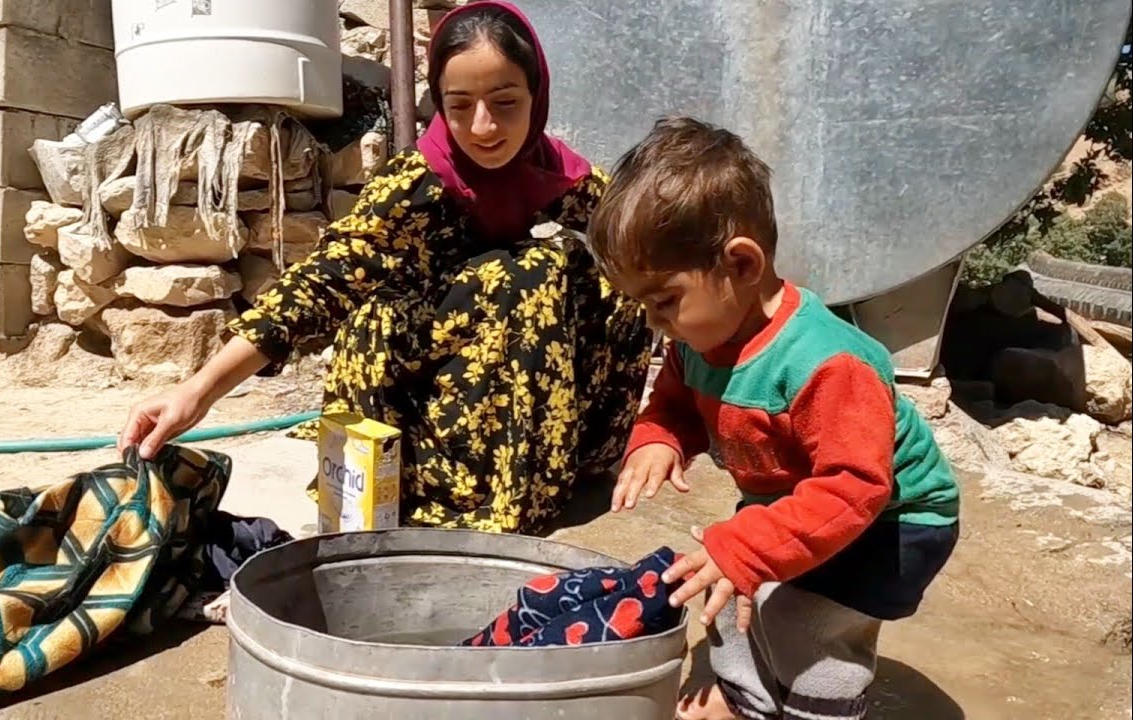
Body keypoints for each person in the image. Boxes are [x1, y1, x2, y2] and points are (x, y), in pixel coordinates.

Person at [118, 1, 649, 535]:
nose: (483, 126)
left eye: (506, 102)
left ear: (537, 97)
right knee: (535, 272)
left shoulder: (550, 167)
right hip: (406, 366)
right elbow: (319, 282)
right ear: (439, 103)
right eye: (459, 105)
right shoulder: (417, 185)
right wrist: (198, 390)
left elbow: (639, 229)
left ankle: (576, 457)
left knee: (617, 273)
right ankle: (482, 491)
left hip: (488, 333)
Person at [587, 117, 960, 720]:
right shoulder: (699, 341)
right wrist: (659, 438)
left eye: (663, 301)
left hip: (893, 522)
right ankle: (745, 701)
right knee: (722, 588)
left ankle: (822, 709)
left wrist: (749, 549)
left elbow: (855, 487)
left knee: (801, 620)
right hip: (795, 500)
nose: (656, 325)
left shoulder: (830, 363)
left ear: (741, 264)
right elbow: (675, 403)